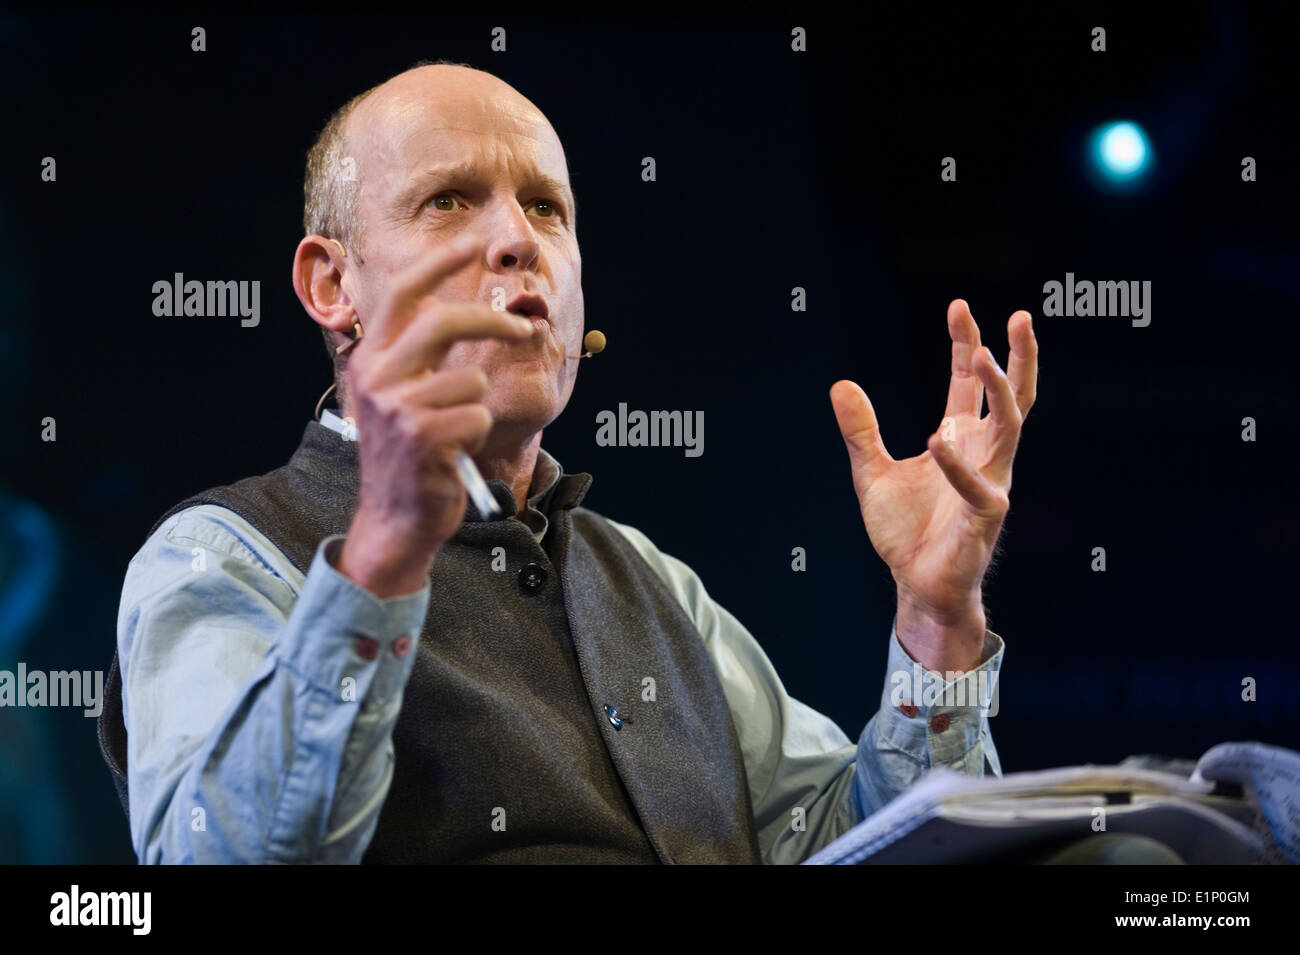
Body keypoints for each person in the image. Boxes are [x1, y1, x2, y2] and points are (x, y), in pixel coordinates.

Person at [98, 61, 1041, 864]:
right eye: (449, 200)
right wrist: (380, 560)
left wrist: (935, 619)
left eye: (546, 208)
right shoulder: (222, 554)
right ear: (332, 284)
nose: (518, 242)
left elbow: (849, 841)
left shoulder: (651, 582)